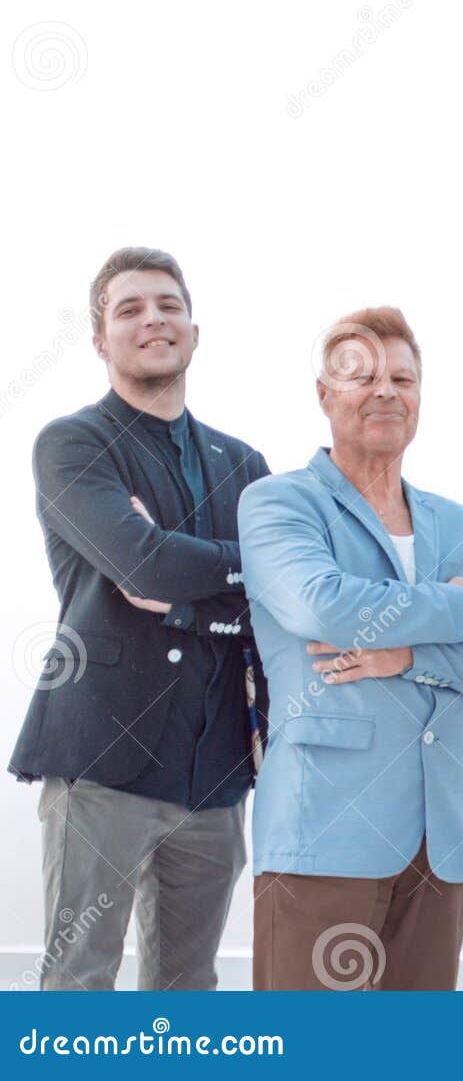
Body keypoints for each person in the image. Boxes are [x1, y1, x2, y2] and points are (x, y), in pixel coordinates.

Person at [10, 247, 269, 991]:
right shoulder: (72, 443)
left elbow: (276, 592)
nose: (152, 319)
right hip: (102, 761)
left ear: (194, 330)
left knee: (188, 988)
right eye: (129, 309)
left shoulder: (244, 465)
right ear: (100, 340)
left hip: (213, 771)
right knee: (78, 983)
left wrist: (190, 594)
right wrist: (229, 566)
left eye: (167, 305)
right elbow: (143, 564)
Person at [239, 307, 463, 990]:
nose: (387, 390)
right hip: (322, 834)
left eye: (403, 379)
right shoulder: (279, 503)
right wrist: (461, 607)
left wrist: (408, 656)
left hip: (439, 840)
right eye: (363, 376)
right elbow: (325, 605)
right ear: (324, 394)